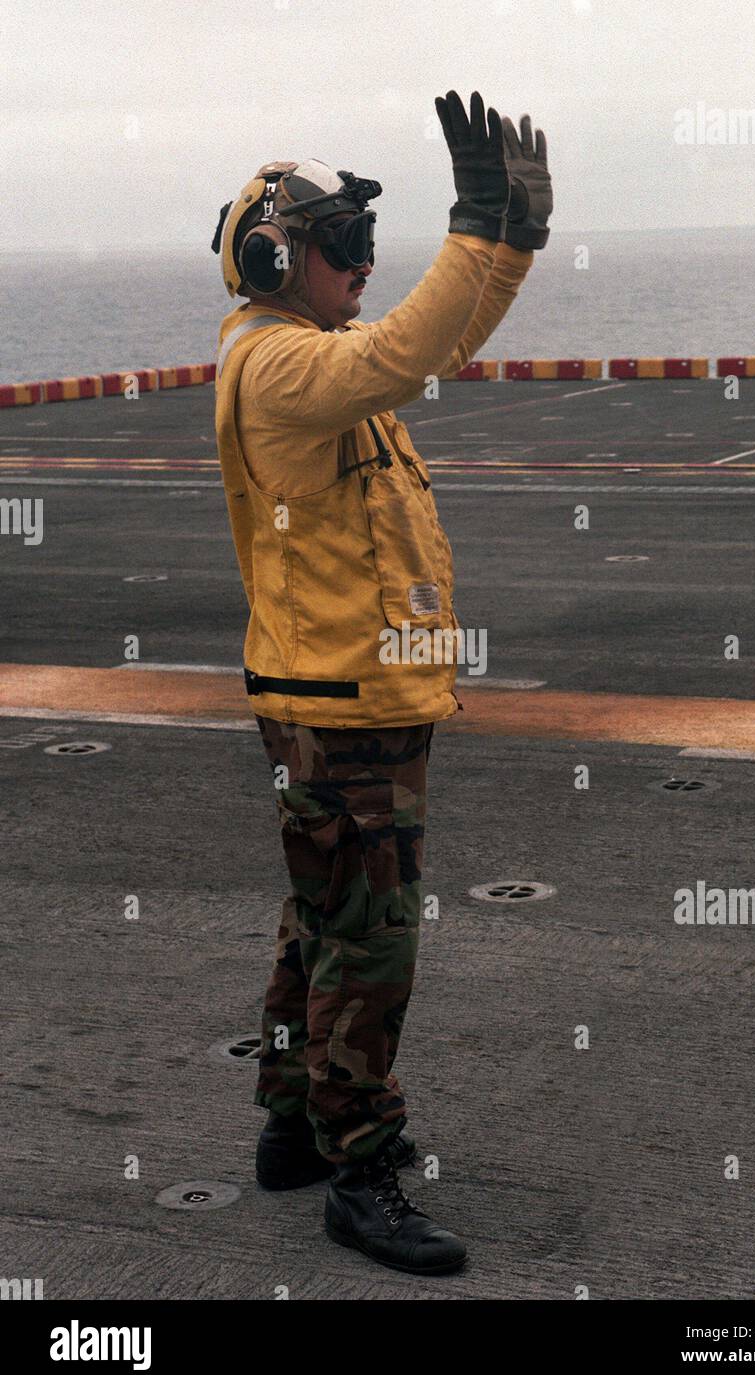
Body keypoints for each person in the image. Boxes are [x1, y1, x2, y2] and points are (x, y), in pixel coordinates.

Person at [211, 90, 552, 1275]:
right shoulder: (281, 370)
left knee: (327, 915)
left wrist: (508, 246)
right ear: (273, 260)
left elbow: (432, 343)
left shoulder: (315, 363)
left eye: (362, 241)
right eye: (340, 244)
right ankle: (362, 1171)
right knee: (370, 941)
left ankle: (289, 1126)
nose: (362, 261)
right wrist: (474, 223)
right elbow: (411, 346)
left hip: (355, 698)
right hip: (337, 710)